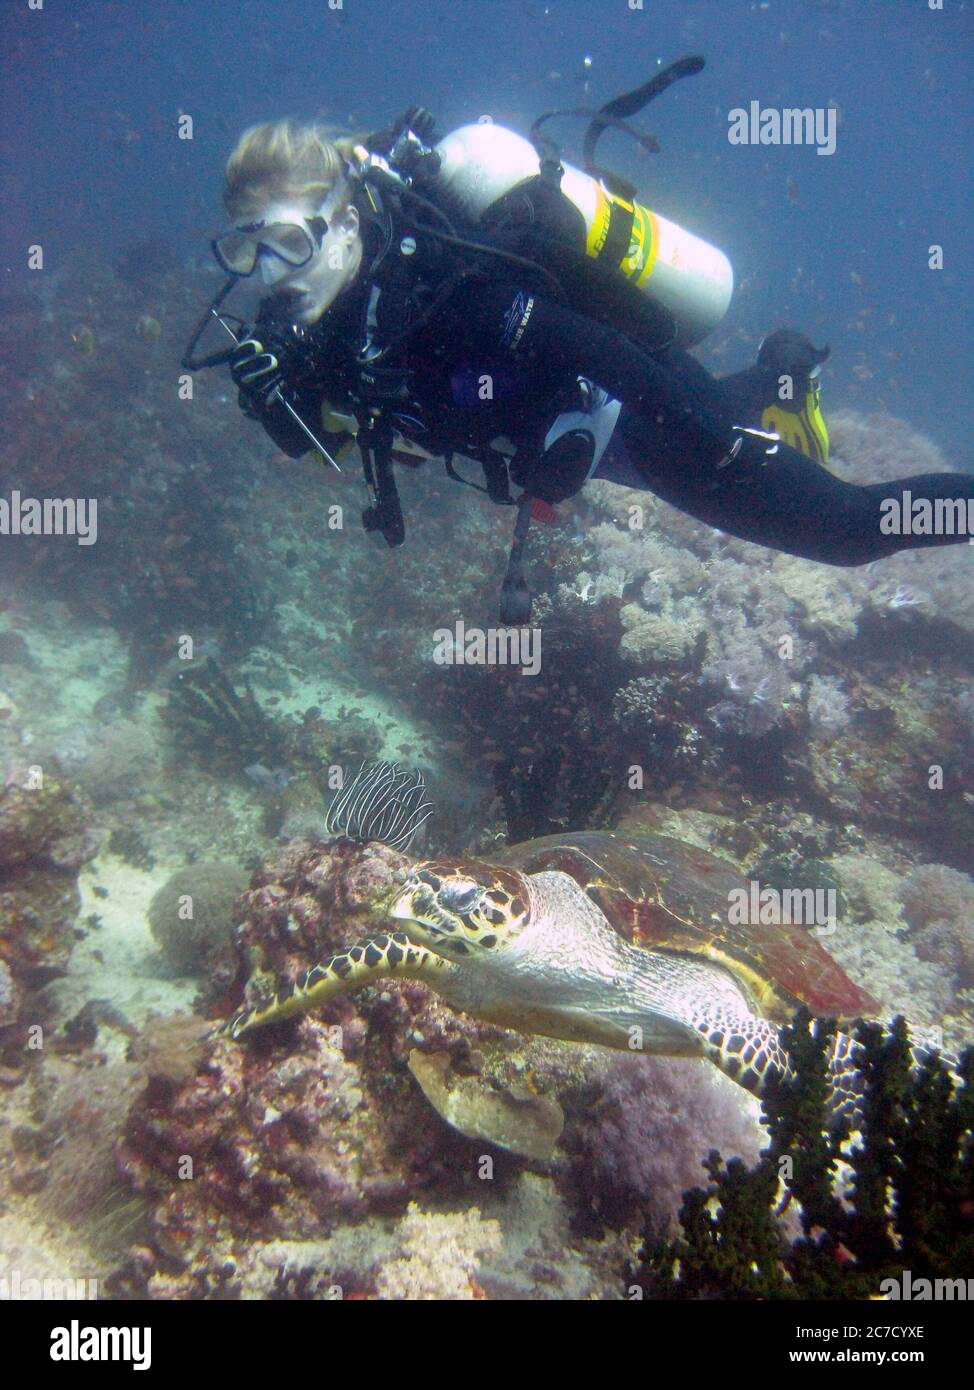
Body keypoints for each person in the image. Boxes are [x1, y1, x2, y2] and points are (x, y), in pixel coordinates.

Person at [198, 111, 973, 617]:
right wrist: (273, 406)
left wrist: (717, 446)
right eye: (248, 249)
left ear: (342, 223)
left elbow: (595, 347)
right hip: (577, 442)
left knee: (846, 530)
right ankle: (782, 370)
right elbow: (325, 440)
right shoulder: (316, 326)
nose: (271, 272)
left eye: (289, 242)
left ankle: (774, 382)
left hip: (632, 410)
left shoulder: (447, 290)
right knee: (735, 419)